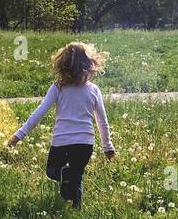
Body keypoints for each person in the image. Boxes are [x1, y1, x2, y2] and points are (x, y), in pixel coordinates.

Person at [6, 41, 115, 209]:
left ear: (62, 64)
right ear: (89, 64)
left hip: (61, 141)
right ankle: (76, 207)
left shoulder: (58, 87)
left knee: (53, 172)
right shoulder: (94, 89)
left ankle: (65, 176)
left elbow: (40, 112)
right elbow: (102, 120)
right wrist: (107, 146)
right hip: (85, 143)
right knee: (76, 175)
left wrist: (18, 135)